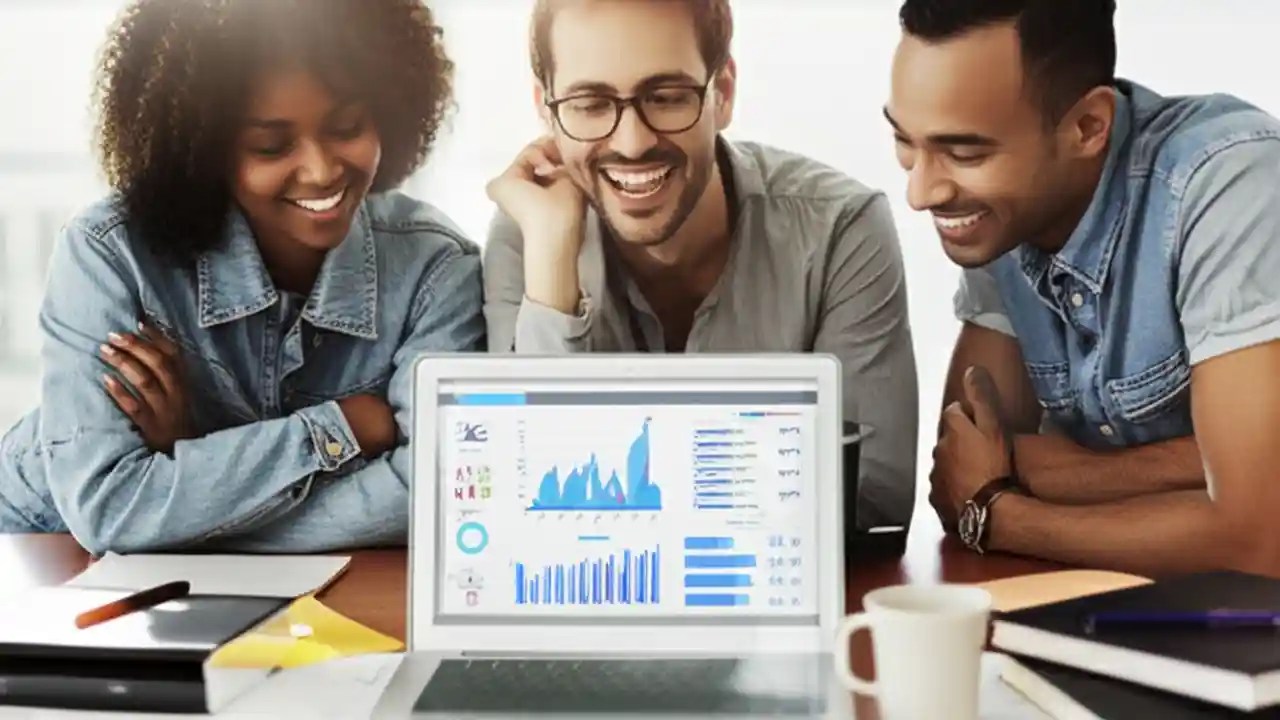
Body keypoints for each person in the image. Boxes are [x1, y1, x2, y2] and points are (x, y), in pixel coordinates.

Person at [0, 0, 485, 554]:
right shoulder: (111, 254)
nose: (323, 169)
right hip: (40, 552)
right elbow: (112, 507)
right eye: (270, 146)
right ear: (204, 150)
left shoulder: (435, 267)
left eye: (347, 126)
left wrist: (191, 492)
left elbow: (444, 487)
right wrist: (343, 428)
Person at [482, 0, 919, 532]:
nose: (632, 141)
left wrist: (630, 495)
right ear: (547, 110)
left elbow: (873, 503)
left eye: (666, 97)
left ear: (723, 93)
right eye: (590, 104)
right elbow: (523, 503)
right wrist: (552, 258)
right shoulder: (532, 230)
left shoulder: (841, 229)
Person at [888, 0, 1280, 574]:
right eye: (905, 142)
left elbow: (1259, 537)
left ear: (1087, 127)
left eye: (964, 151)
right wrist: (1203, 471)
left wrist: (1007, 511)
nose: (921, 193)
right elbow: (961, 474)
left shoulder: (1227, 186)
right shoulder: (998, 214)